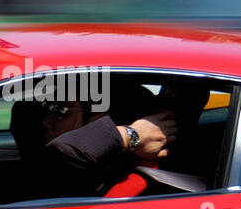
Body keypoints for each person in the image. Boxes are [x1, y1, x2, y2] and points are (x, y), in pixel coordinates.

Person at [10, 82, 177, 199]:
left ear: (99, 121)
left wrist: (129, 135)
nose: (46, 122)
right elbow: (22, 117)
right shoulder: (49, 164)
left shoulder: (73, 169)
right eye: (49, 109)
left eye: (61, 110)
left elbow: (61, 152)